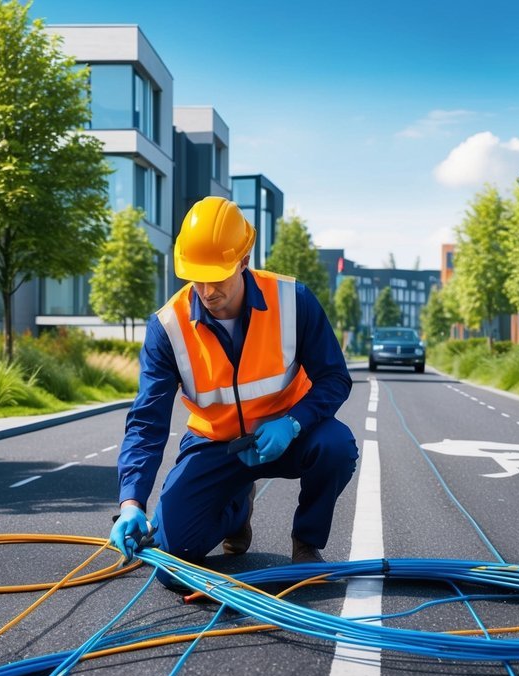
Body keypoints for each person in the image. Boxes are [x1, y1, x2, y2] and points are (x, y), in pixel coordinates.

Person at [110, 196, 357, 578]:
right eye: (197, 278)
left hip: (287, 435)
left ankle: (306, 542)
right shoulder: (168, 327)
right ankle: (235, 511)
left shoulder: (293, 301)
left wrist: (293, 422)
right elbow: (147, 422)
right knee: (173, 562)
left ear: (243, 262)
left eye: (218, 277)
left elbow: (335, 378)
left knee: (336, 446)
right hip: (215, 443)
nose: (207, 291)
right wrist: (131, 502)